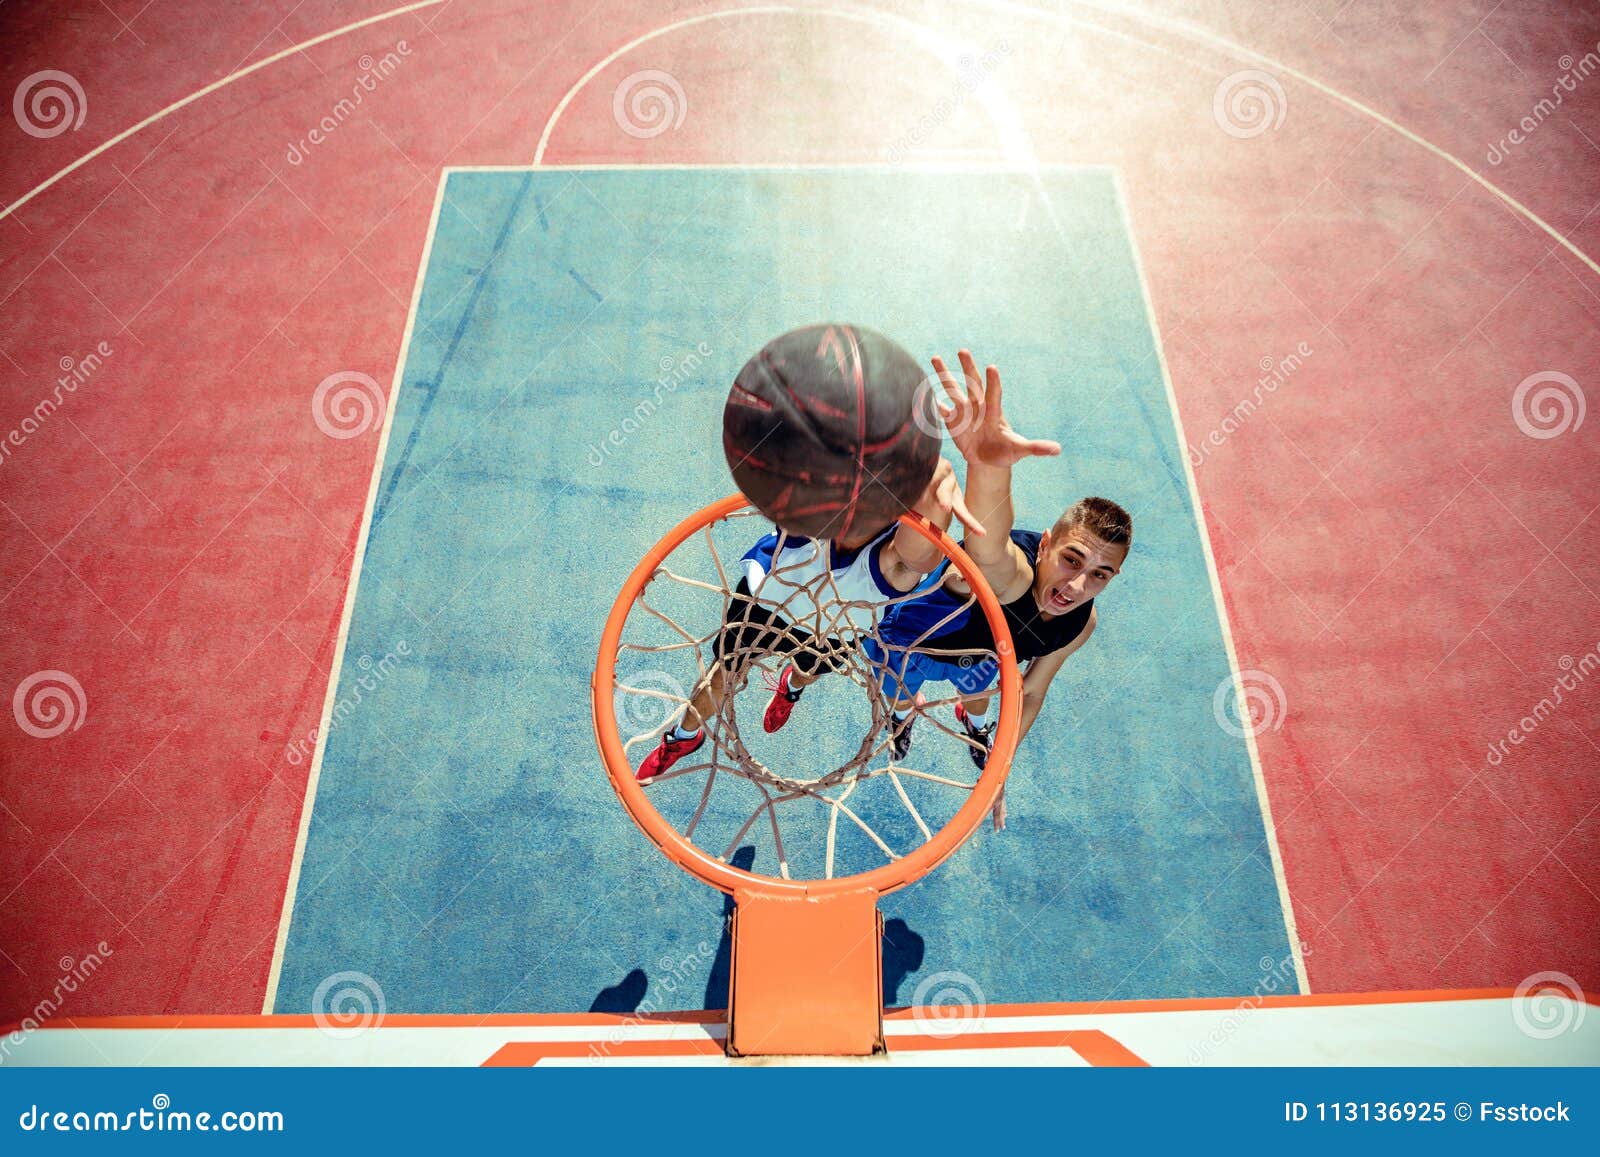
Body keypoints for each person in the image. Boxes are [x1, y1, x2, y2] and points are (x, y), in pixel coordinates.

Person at [858, 351, 1131, 829]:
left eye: (1100, 574)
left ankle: (974, 723)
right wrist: (987, 467)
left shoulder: (1080, 623)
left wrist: (1002, 764)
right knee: (899, 698)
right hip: (911, 643)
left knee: (981, 697)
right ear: (1045, 546)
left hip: (983, 653)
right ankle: (904, 719)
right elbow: (989, 546)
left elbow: (1029, 693)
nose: (1077, 584)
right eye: (1072, 559)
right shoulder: (1013, 576)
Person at [634, 455, 983, 780]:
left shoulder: (894, 562)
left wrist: (942, 476)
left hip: (830, 632)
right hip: (765, 604)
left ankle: (790, 688)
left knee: (805, 672)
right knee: (722, 675)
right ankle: (685, 735)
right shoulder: (811, 503)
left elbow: (920, 556)